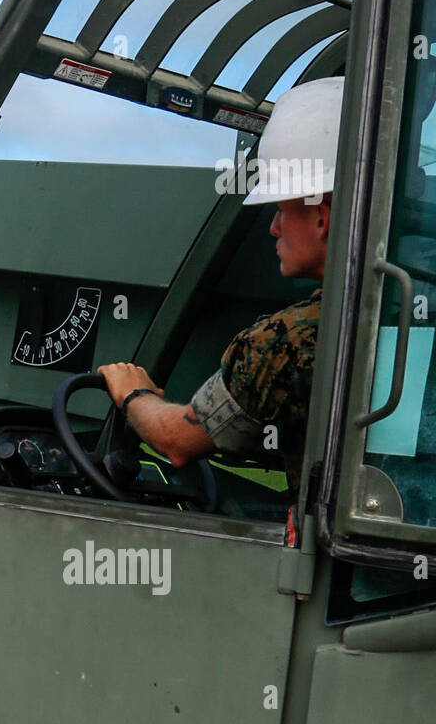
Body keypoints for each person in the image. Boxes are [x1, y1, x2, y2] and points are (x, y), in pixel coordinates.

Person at [97, 77, 343, 498]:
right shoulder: (416, 304)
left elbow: (176, 442)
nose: (273, 227)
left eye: (282, 209)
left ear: (321, 218)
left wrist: (133, 394)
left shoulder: (289, 343)